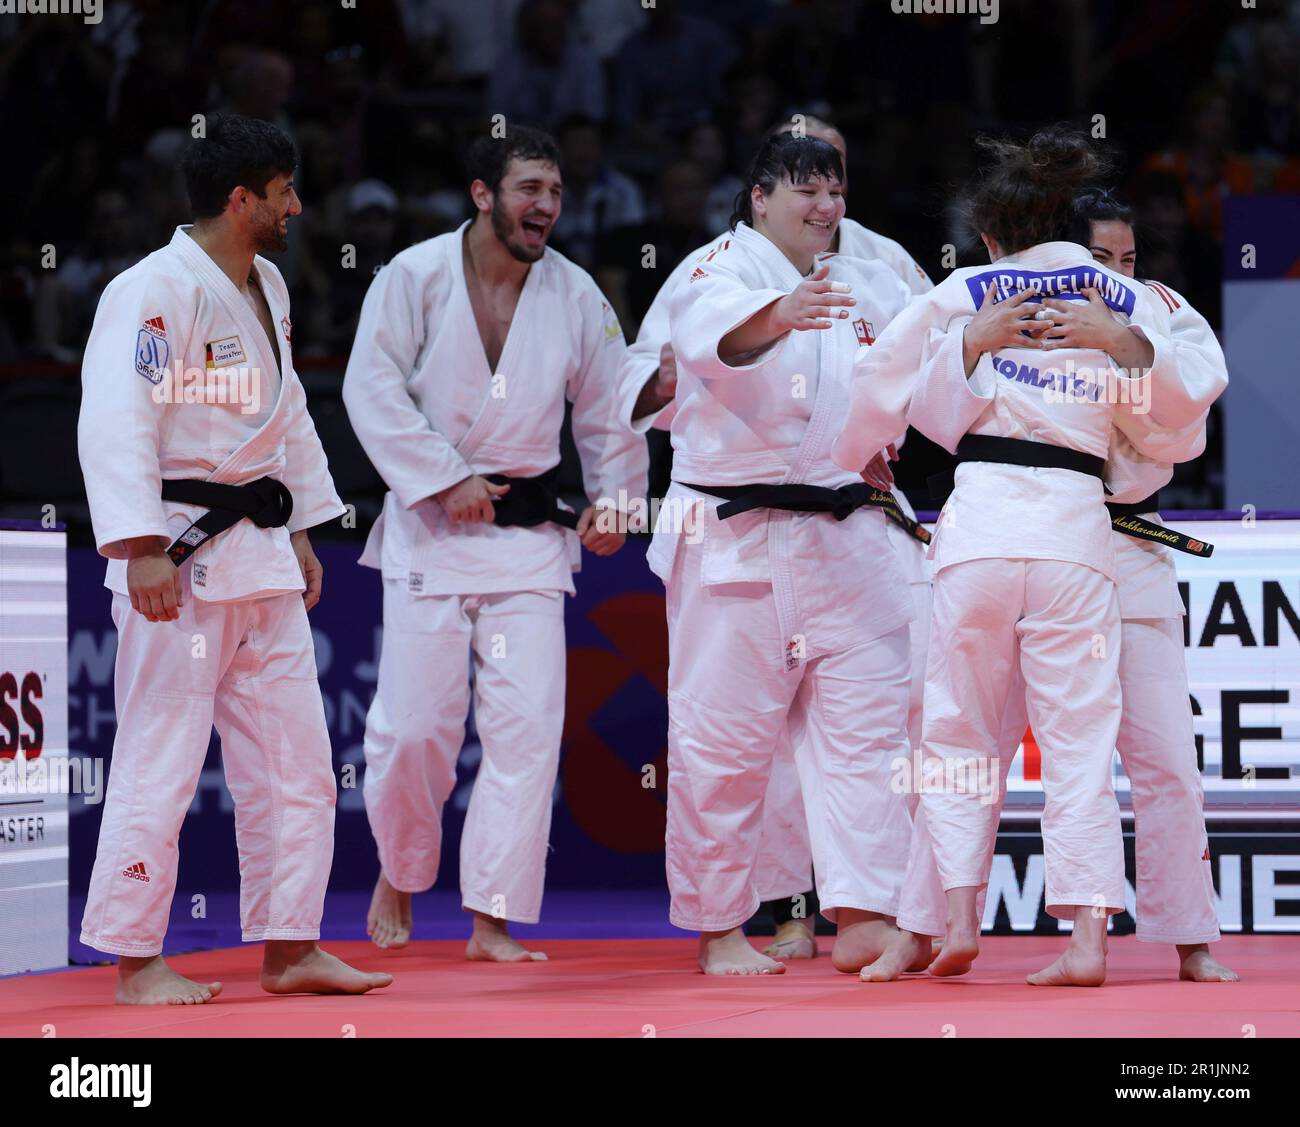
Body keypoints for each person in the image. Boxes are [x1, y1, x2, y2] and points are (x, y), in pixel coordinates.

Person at [834, 129, 1202, 987]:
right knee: (1079, 740)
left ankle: (957, 920)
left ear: (995, 232)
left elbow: (875, 379)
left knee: (957, 731)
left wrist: (874, 442)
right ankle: (1085, 943)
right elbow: (1186, 405)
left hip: (982, 529)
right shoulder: (1118, 293)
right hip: (1077, 532)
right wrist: (1123, 347)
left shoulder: (968, 288)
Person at [77, 113, 391, 1004]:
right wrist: (138, 546)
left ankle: (291, 946)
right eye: (284, 191)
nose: (298, 205)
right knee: (161, 756)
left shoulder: (270, 287)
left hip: (260, 558)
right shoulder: (153, 290)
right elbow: (117, 419)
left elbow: (286, 415)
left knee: (298, 761)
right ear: (239, 197)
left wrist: (302, 530)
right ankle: (136, 960)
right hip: (177, 552)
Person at [622, 112, 934, 963]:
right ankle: (721, 925)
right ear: (759, 198)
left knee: (868, 736)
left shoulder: (869, 275)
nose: (826, 203)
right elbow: (704, 343)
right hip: (738, 537)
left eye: (836, 187)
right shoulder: (717, 269)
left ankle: (865, 913)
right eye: (807, 188)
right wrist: (778, 313)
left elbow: (930, 360)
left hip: (848, 531)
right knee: (722, 740)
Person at [343, 125, 652, 961]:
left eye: (553, 191)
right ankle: (400, 873)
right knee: (414, 731)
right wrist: (444, 477)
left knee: (524, 732)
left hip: (527, 544)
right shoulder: (410, 277)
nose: (544, 205)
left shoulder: (579, 295)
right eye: (528, 189)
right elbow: (368, 390)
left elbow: (609, 409)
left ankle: (492, 917)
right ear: (483, 194)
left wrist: (617, 500)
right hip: (431, 531)